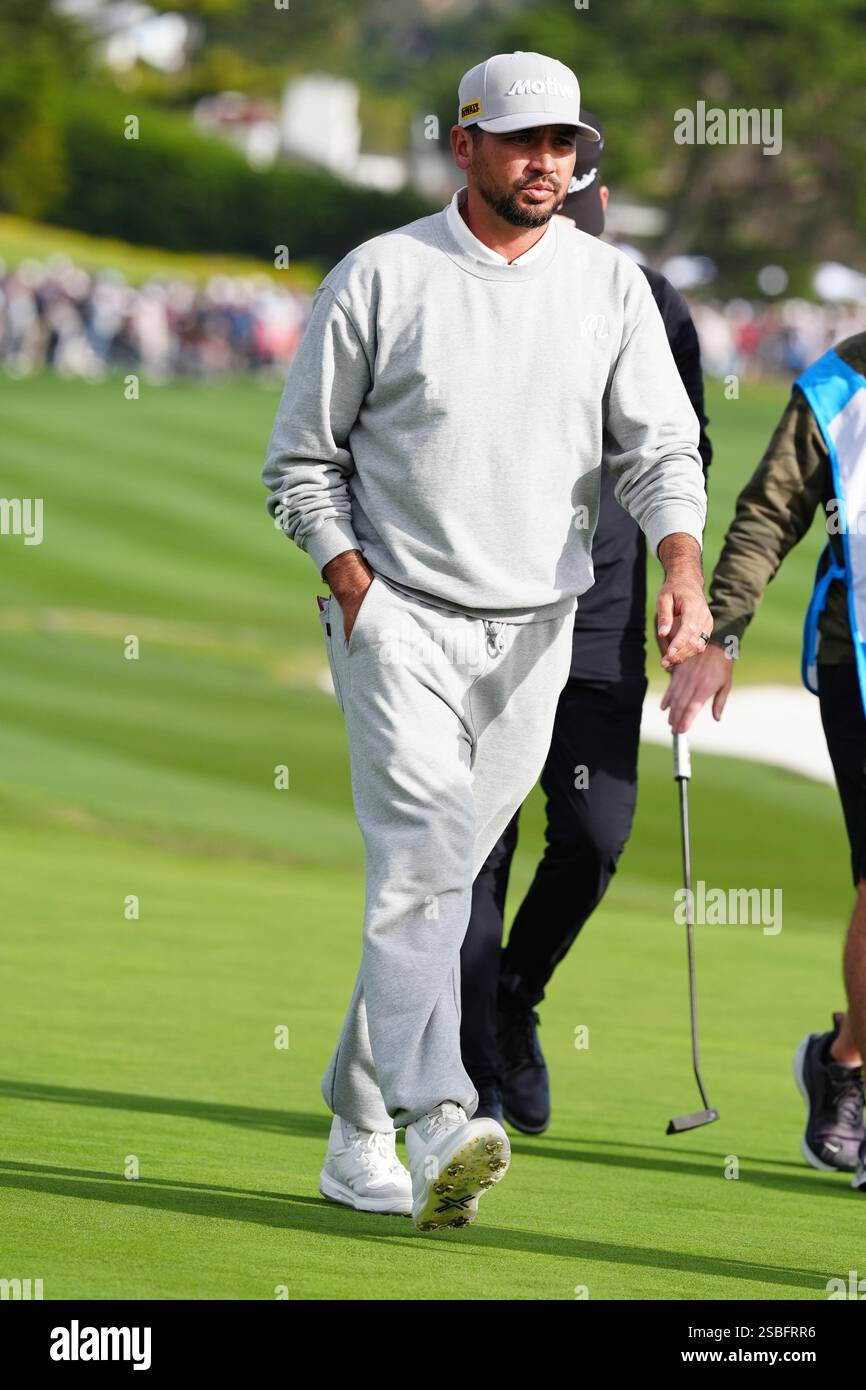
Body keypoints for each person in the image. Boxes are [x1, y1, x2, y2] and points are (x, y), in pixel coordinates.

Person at [262, 50, 710, 1233]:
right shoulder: (380, 274)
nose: (545, 164)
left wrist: (677, 562)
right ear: (461, 146)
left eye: (562, 144)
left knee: (438, 884)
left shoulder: (609, 287)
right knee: (419, 867)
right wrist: (353, 584)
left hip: (538, 631)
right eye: (520, 143)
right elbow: (300, 464)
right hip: (396, 618)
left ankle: (351, 1120)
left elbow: (661, 449)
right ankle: (436, 1112)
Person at [461, 114, 712, 1134]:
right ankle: (466, 1068)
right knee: (478, 841)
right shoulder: (459, 280)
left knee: (594, 835)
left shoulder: (641, 299)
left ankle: (514, 995)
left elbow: (675, 453)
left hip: (601, 613)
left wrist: (681, 572)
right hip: (477, 608)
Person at [662, 330, 866, 1187]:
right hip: (859, 655)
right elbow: (770, 511)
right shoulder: (842, 380)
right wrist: (724, 634)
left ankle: (845, 1059)